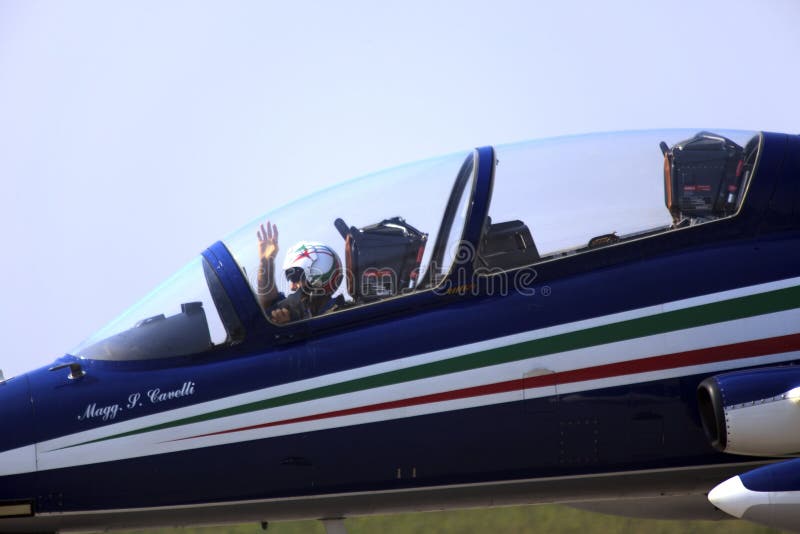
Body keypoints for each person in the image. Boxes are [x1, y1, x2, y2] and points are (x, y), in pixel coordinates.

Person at [256, 220, 343, 324]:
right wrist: (266, 261)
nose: (292, 287)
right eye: (289, 277)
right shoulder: (302, 311)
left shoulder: (338, 318)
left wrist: (290, 330)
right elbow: (269, 304)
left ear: (317, 278)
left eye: (295, 278)